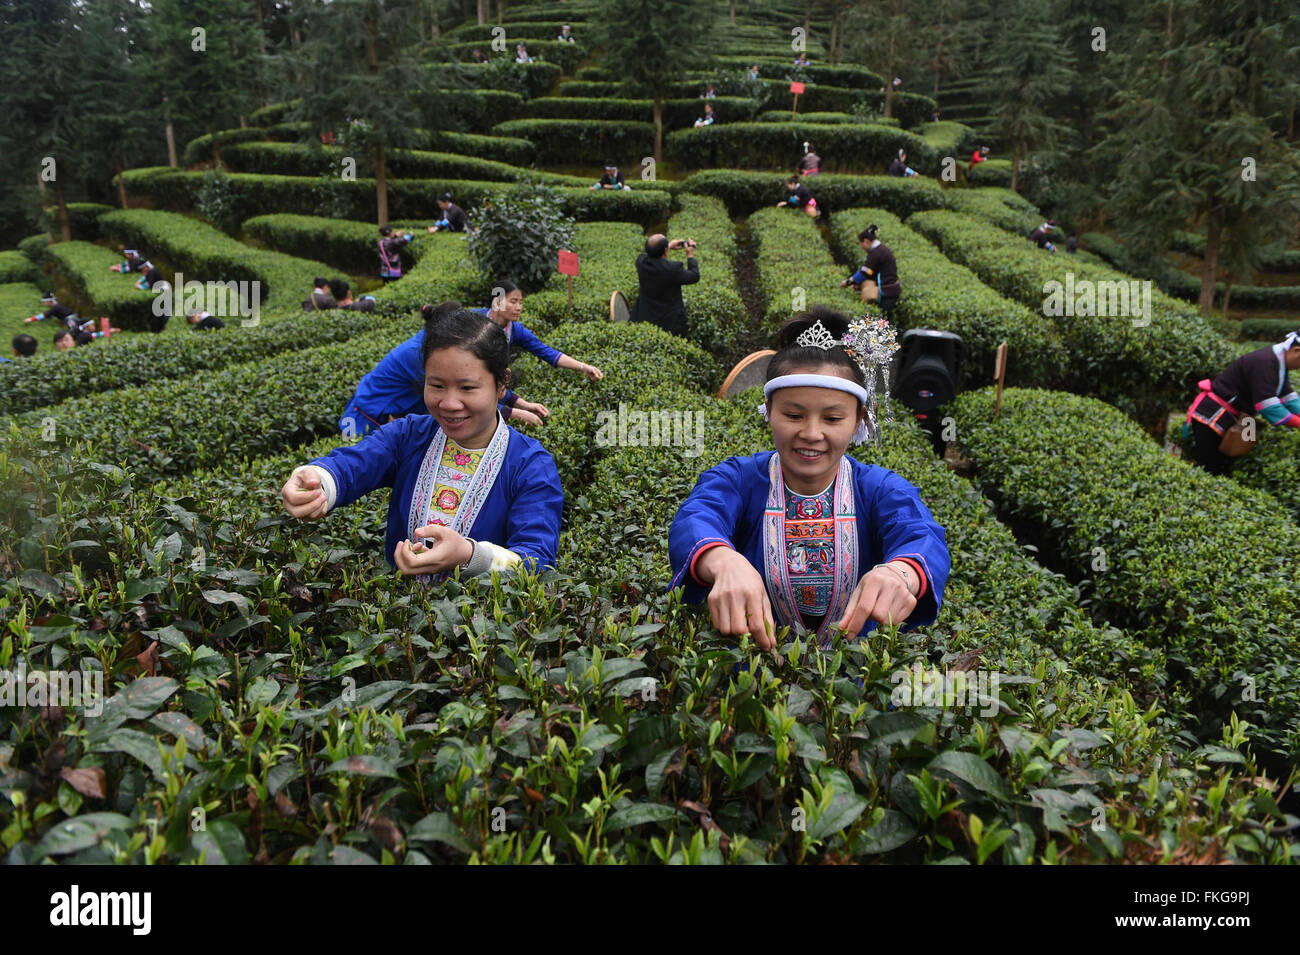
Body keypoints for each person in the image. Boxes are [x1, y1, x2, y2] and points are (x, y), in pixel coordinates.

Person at [668, 307, 949, 650]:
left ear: (858, 420)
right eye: (793, 414)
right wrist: (723, 561)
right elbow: (696, 517)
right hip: (750, 678)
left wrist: (901, 573)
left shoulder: (880, 489)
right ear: (769, 410)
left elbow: (922, 536)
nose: (811, 433)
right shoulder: (738, 479)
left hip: (852, 688)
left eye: (832, 418)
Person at [284, 306, 565, 578]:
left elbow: (537, 561)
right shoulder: (410, 434)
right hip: (400, 620)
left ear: (501, 384)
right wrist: (317, 482)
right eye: (437, 385)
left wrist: (469, 555)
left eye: (467, 387)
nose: (450, 403)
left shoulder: (530, 465)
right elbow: (353, 465)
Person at [339, 302, 548, 437]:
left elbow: (479, 381)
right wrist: (517, 414)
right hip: (366, 415)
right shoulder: (423, 355)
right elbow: (467, 390)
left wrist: (523, 404)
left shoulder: (439, 347)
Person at [1184, 330, 1300, 475]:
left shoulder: (1280, 363)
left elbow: (1287, 395)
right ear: (1296, 351)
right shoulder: (1264, 361)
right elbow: (1268, 406)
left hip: (1246, 418)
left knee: (1239, 459)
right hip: (1216, 415)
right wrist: (1298, 423)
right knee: (1209, 466)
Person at [476, 281, 603, 386]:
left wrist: (583, 367)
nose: (519, 307)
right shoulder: (473, 318)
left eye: (520, 302)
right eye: (513, 302)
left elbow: (547, 352)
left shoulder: (516, 331)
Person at [632, 234, 699, 338]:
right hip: (670, 323)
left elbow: (649, 254)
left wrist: (668, 247)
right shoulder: (673, 269)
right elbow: (694, 276)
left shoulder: (641, 262)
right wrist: (690, 255)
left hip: (644, 317)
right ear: (665, 251)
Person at [841, 224, 902, 311]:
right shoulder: (881, 249)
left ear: (866, 241)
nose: (862, 248)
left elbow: (864, 273)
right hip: (891, 291)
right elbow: (871, 272)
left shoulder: (876, 253)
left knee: (883, 321)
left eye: (861, 244)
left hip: (887, 293)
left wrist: (848, 282)